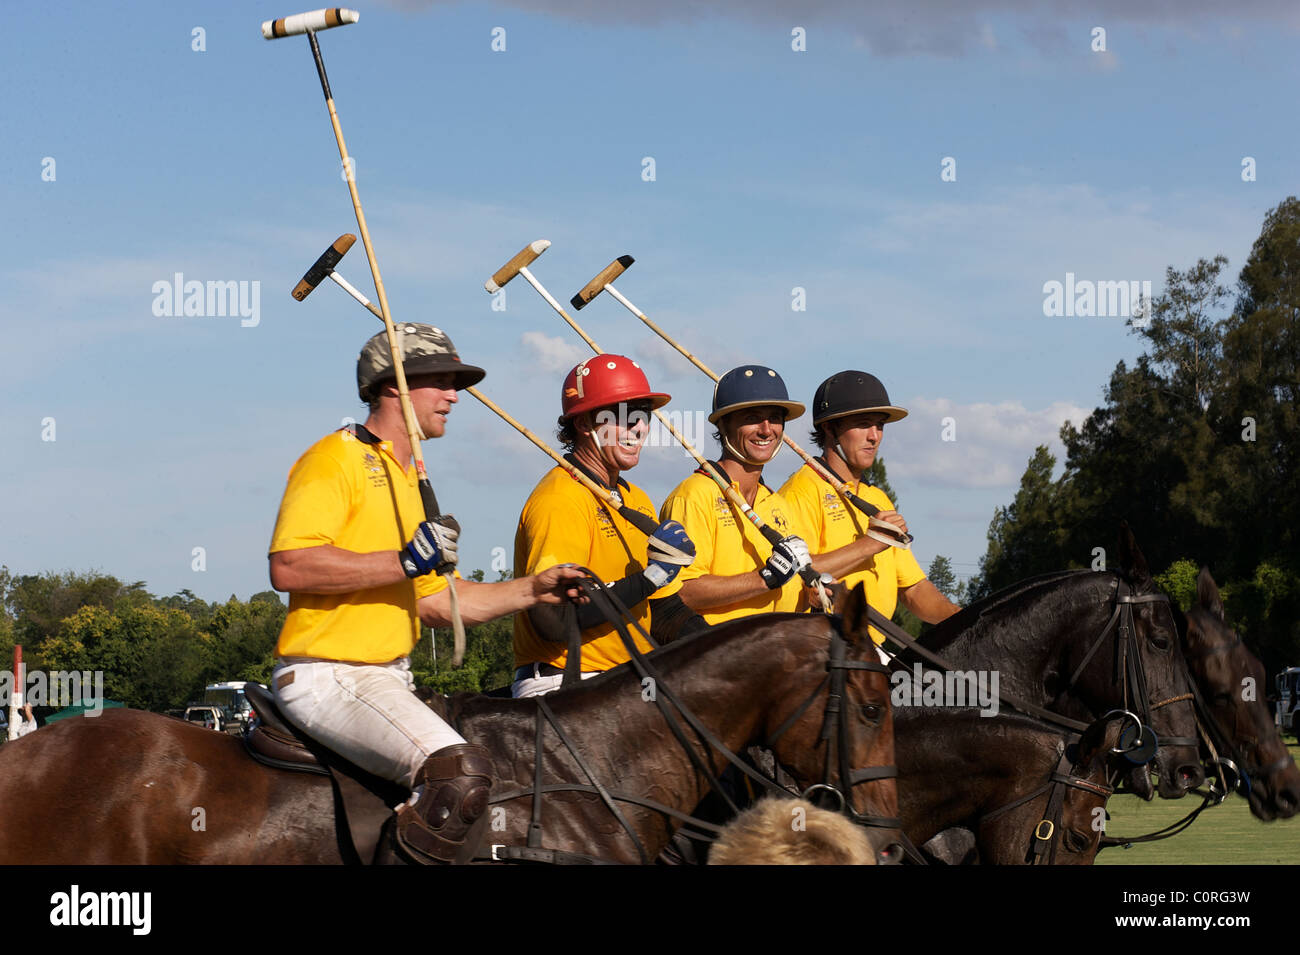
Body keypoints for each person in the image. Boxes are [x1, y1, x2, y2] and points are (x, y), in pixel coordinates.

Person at [267, 323, 585, 864]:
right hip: (330, 672)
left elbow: (438, 603)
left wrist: (533, 589)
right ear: (392, 386)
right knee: (458, 772)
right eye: (438, 381)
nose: (454, 396)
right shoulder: (334, 458)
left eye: (453, 383)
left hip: (387, 675)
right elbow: (290, 565)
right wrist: (403, 560)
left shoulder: (407, 477)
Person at [660, 365, 903, 626]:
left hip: (775, 657)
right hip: (716, 659)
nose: (766, 430)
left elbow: (789, 592)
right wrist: (765, 577)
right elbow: (681, 593)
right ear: (724, 423)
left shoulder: (776, 504)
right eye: (753, 417)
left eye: (775, 418)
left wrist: (812, 596)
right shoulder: (694, 495)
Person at [512, 354, 695, 698]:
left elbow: (665, 612)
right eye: (623, 417)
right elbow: (555, 618)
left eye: (642, 416)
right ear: (584, 425)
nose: (639, 428)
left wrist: (740, 646)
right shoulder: (561, 497)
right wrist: (651, 577)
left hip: (628, 680)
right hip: (563, 681)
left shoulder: (636, 497)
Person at [779, 370, 959, 647]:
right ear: (829, 427)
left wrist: (970, 620)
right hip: (822, 653)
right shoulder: (800, 491)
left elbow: (914, 591)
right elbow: (795, 573)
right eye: (863, 425)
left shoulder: (877, 498)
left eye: (880, 426)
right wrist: (869, 545)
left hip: (871, 653)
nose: (874, 437)